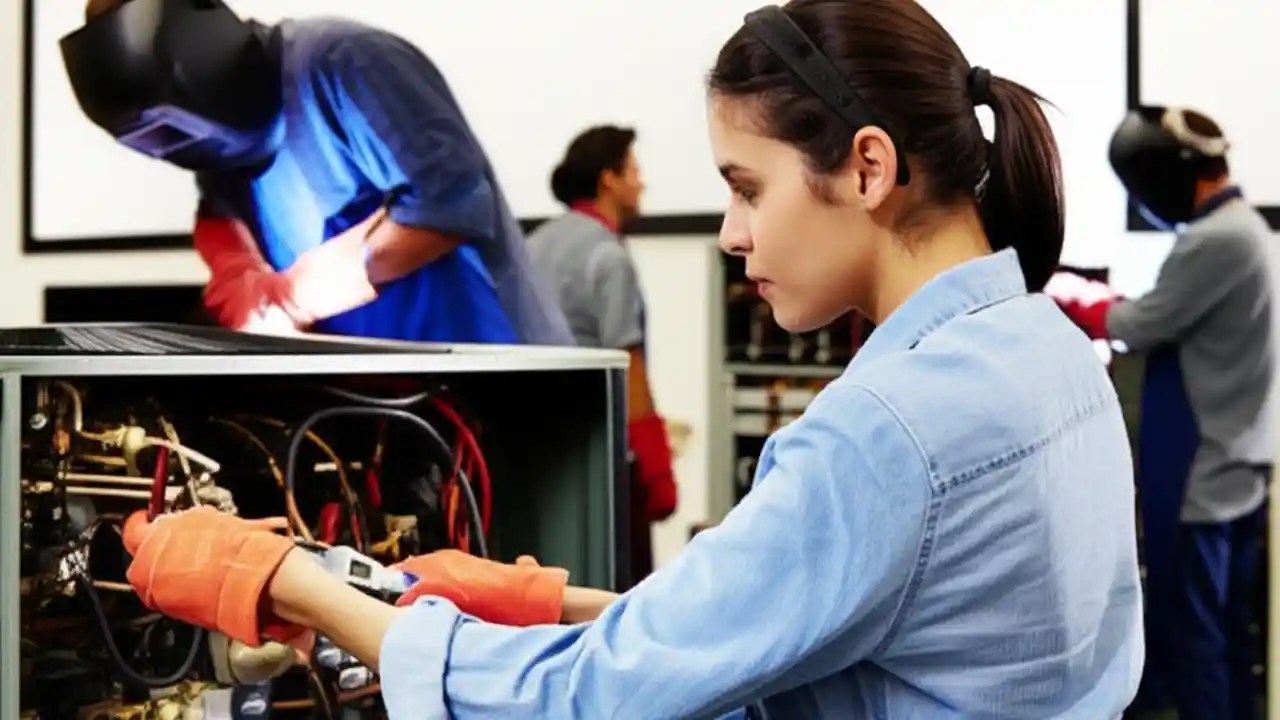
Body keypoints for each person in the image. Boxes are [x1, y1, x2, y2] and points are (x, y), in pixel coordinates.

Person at [115, 1, 1145, 716]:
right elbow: (781, 621)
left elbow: (584, 701)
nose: (730, 233)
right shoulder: (1043, 350)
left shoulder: (881, 437)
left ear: (867, 166)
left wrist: (289, 580)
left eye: (745, 187)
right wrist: (539, 601)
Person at [64, 0, 574, 345]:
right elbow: (223, 221)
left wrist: (296, 294)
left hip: (500, 376)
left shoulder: (345, 63)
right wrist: (244, 280)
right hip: (385, 405)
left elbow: (447, 207)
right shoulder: (220, 150)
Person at [1049, 106, 1273, 720]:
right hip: (1236, 464)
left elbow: (1137, 325)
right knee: (1225, 628)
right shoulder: (1248, 231)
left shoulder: (1215, 240)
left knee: (1192, 627)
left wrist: (1066, 295)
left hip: (1203, 473)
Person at [525, 126, 677, 583]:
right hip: (601, 456)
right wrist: (655, 466)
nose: (642, 182)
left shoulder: (533, 246)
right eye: (634, 170)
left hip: (535, 451)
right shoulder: (607, 257)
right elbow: (626, 361)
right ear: (609, 179)